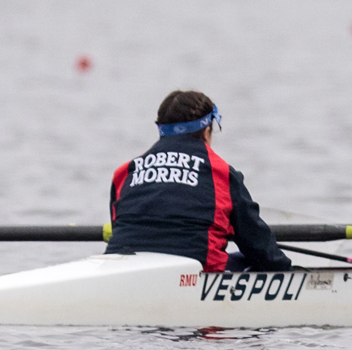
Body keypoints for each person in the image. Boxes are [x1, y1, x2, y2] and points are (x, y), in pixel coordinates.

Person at [106, 90, 290, 272]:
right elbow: (258, 244)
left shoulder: (124, 173)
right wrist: (289, 271)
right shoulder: (221, 173)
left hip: (122, 270)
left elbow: (120, 227)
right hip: (196, 272)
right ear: (207, 131)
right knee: (253, 262)